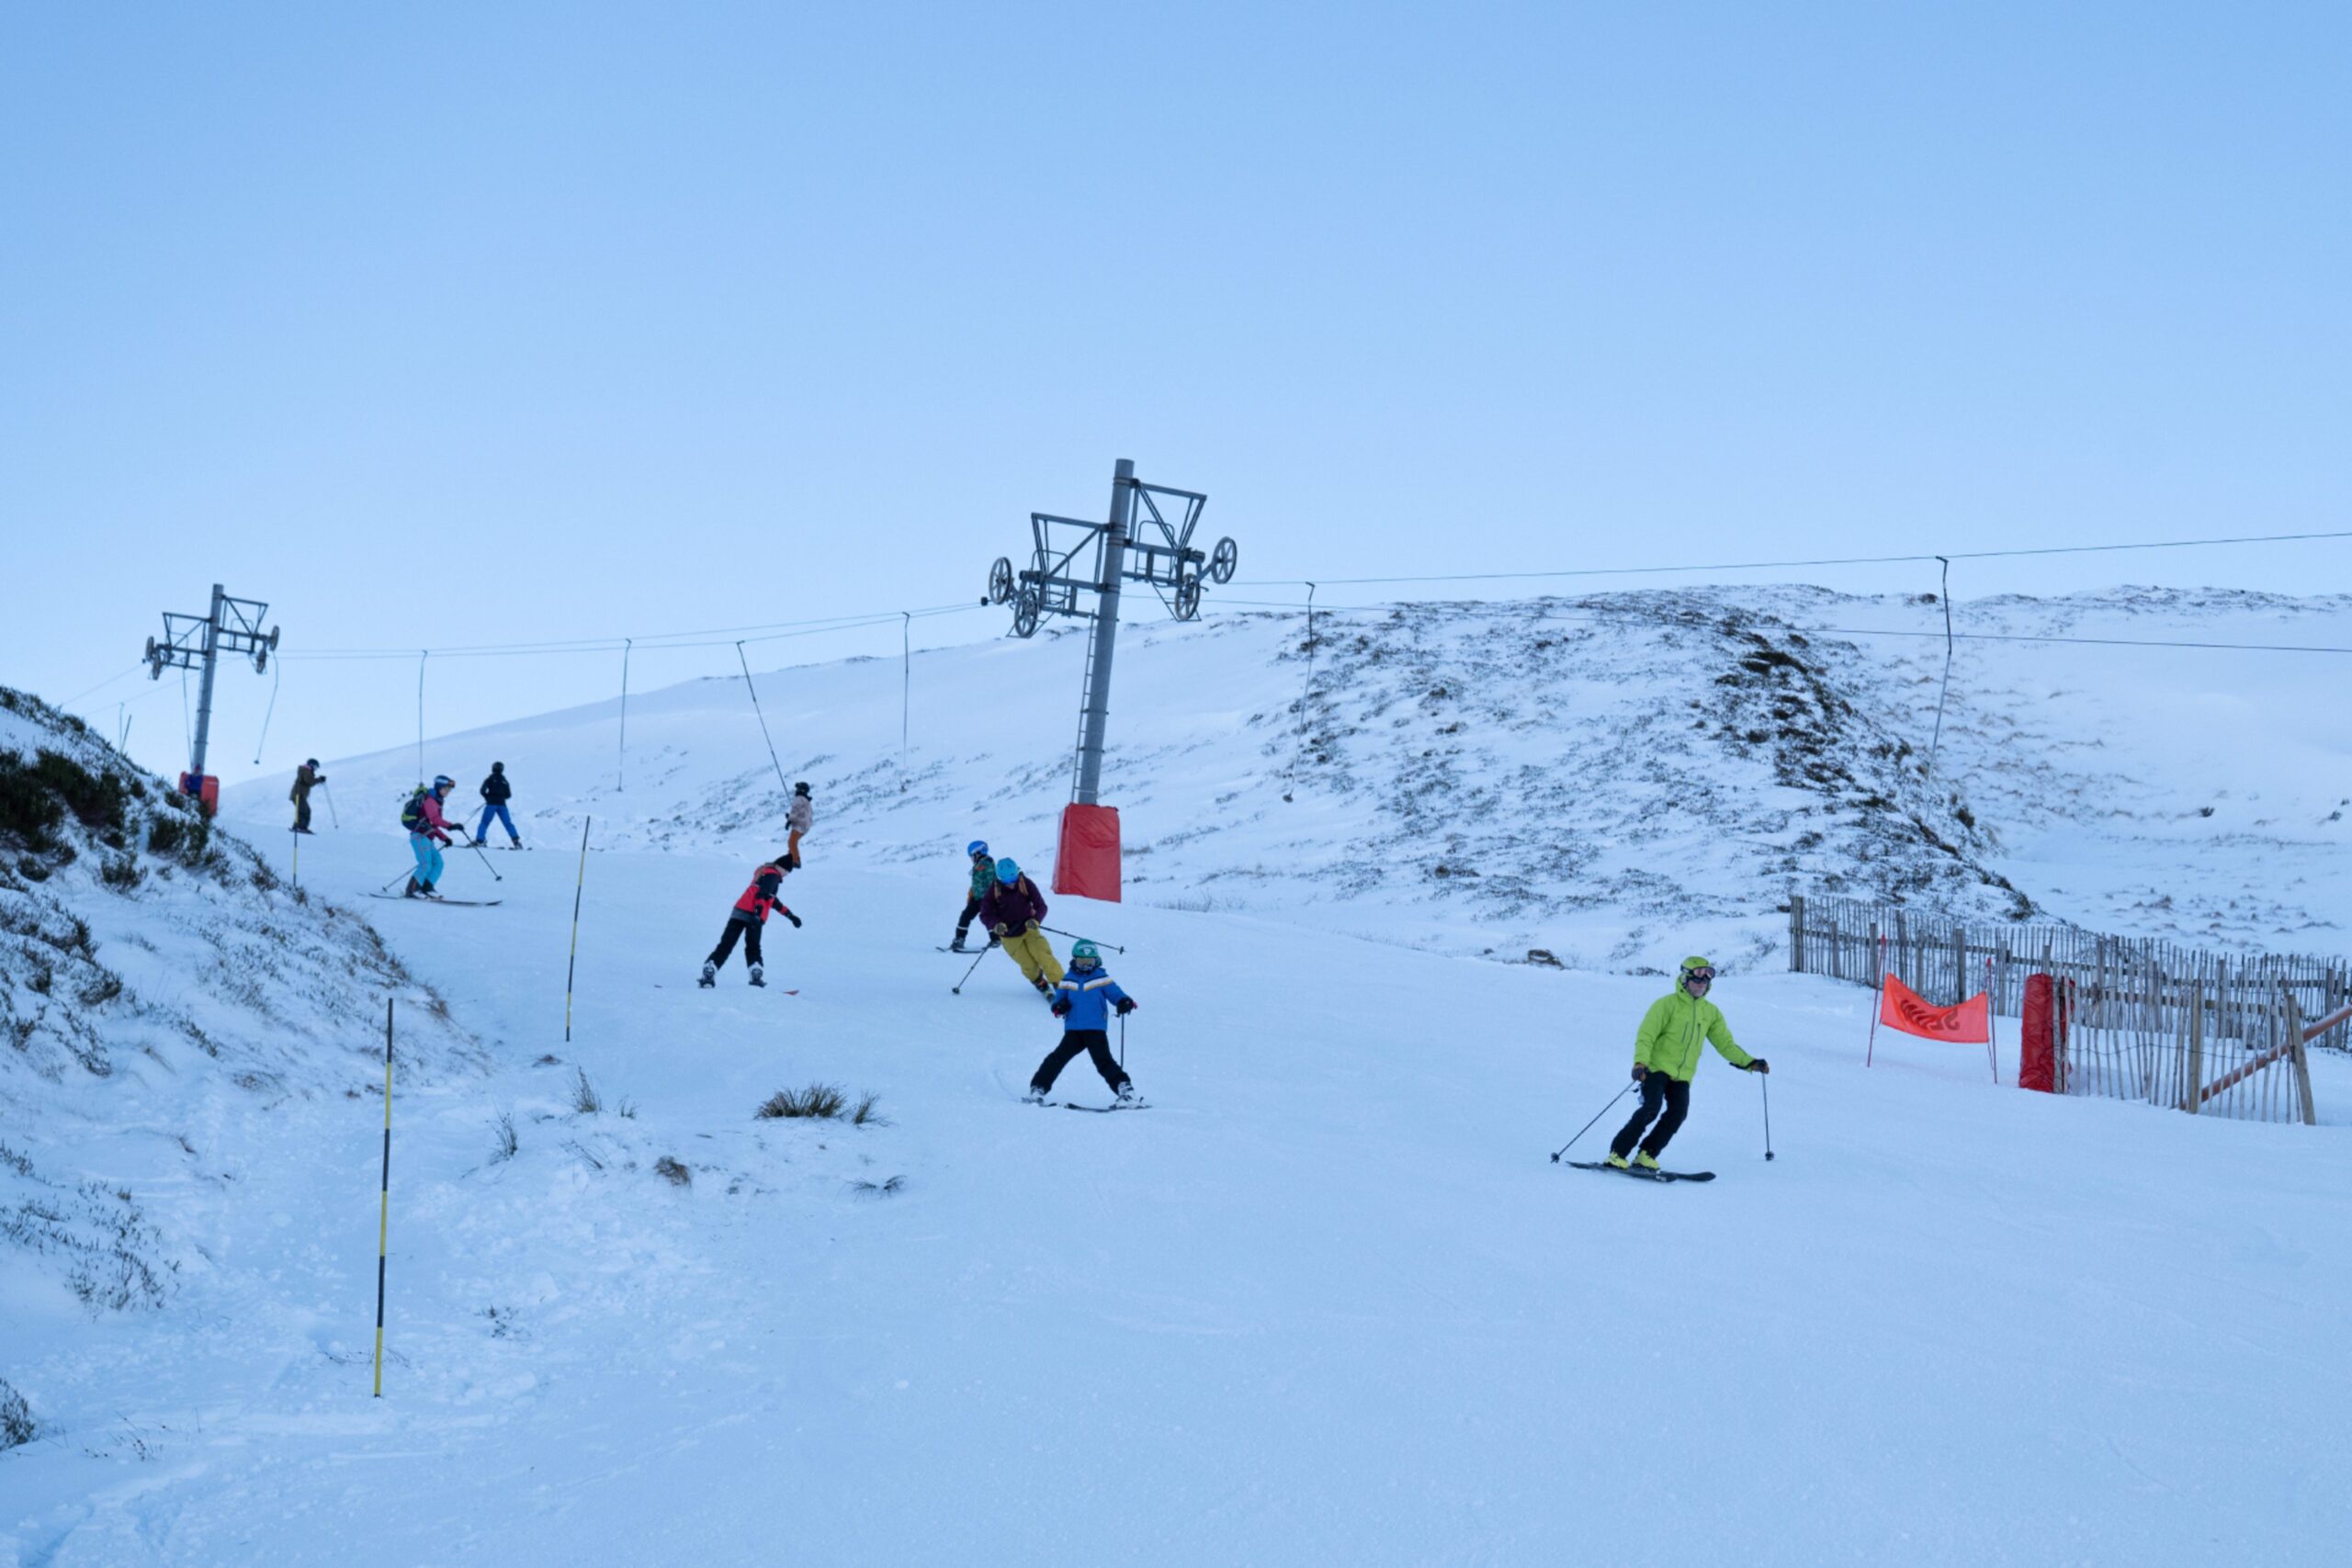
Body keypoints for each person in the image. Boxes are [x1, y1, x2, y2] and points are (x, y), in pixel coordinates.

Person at [1606, 956, 1769, 1170]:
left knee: (1678, 1113)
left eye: (1705, 982)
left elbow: (1725, 1044)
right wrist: (1640, 1063)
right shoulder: (1666, 1005)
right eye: (1697, 980)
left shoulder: (1710, 1013)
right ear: (1685, 980)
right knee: (1651, 1108)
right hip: (1655, 1069)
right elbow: (1646, 1035)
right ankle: (1617, 1154)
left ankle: (1647, 1154)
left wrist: (1749, 1063)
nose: (1701, 985)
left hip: (1683, 1075)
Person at [1024, 940, 1138, 1104]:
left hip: (1095, 1029)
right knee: (1057, 1059)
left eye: (1089, 962)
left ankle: (1125, 1089)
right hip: (1074, 1030)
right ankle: (1038, 1088)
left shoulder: (1101, 978)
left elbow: (1116, 994)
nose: (1085, 966)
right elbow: (1058, 1001)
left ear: (1096, 960)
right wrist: (1059, 1007)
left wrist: (1124, 1002)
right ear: (1074, 959)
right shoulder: (1068, 979)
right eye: (1082, 962)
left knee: (1103, 1061)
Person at [700, 854, 801, 988]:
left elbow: (772, 900)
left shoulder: (763, 873)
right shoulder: (774, 876)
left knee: (726, 944)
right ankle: (756, 975)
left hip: (739, 911)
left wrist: (790, 915)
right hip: (755, 915)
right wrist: (758, 910)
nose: (786, 874)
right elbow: (762, 894)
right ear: (780, 867)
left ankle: (710, 970)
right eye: (787, 871)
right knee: (753, 947)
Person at [980, 857, 1063, 995]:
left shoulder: (1026, 883)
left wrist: (1036, 920)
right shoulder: (993, 891)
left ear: (1017, 873)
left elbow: (1041, 906)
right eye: (1006, 881)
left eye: (1013, 879)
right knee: (1028, 965)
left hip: (1029, 929)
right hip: (1009, 936)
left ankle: (1060, 984)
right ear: (999, 879)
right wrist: (996, 925)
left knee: (1044, 955)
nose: (1010, 884)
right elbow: (985, 914)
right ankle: (1039, 981)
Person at [400, 776, 460, 898]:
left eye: (449, 790)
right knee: (425, 864)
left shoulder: (437, 801)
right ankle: (412, 890)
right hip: (419, 836)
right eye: (446, 789)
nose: (448, 792)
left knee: (438, 863)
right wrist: (450, 826)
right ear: (439, 787)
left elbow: (433, 825)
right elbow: (435, 819)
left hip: (427, 838)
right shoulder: (430, 800)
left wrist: (445, 838)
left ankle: (427, 888)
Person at [951, 840, 998, 952]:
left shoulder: (988, 863)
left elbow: (991, 881)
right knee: (965, 916)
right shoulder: (978, 864)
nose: (971, 859)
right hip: (976, 898)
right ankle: (959, 939)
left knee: (988, 918)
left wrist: (990, 897)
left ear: (978, 853)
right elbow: (977, 882)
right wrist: (971, 893)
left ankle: (996, 939)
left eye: (971, 856)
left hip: (986, 898)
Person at [475, 761, 522, 849]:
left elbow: (482, 791)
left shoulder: (489, 779)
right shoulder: (505, 781)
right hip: (502, 805)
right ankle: (516, 842)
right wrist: (501, 797)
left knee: (484, 823)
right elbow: (508, 795)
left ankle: (480, 841)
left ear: (493, 769)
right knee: (508, 824)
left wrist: (488, 797)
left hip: (491, 804)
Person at [288, 760, 324, 833]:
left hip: (299, 794)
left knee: (303, 810)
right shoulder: (306, 771)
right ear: (311, 765)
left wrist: (318, 780)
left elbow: (308, 782)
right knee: (304, 810)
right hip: (298, 794)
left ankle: (298, 827)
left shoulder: (305, 771)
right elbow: (309, 781)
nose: (315, 769)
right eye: (315, 767)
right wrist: (319, 779)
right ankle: (301, 827)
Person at [786, 781, 815, 868]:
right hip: (805, 826)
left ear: (801, 790)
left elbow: (795, 810)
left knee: (792, 841)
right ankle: (790, 858)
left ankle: (795, 861)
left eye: (798, 788)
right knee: (793, 841)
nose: (796, 790)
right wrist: (790, 818)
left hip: (800, 825)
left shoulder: (799, 799)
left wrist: (789, 820)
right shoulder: (806, 801)